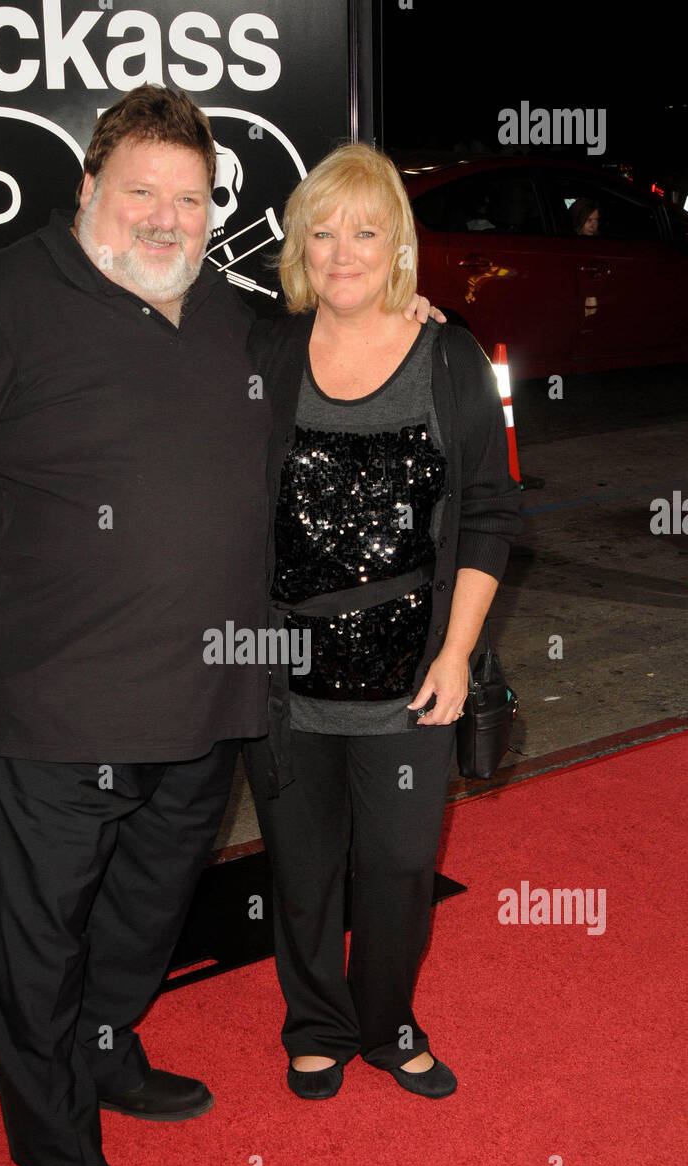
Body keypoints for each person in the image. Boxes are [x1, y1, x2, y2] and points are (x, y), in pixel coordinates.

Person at [0, 88, 438, 1166]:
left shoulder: (233, 317)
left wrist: (399, 305)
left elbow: (341, 339)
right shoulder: (1, 302)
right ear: (88, 191)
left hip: (208, 691)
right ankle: (52, 1140)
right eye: (141, 191)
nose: (166, 217)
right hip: (52, 697)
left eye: (189, 198)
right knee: (39, 930)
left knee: (141, 907)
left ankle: (107, 1046)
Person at [242, 143, 523, 1101]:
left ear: (396, 241)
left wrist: (457, 652)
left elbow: (490, 511)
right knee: (304, 867)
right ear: (298, 245)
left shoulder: (449, 355)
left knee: (401, 866)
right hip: (283, 673)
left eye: (365, 230)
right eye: (322, 231)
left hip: (412, 676)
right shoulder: (263, 350)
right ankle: (315, 1023)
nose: (343, 251)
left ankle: (388, 1021)